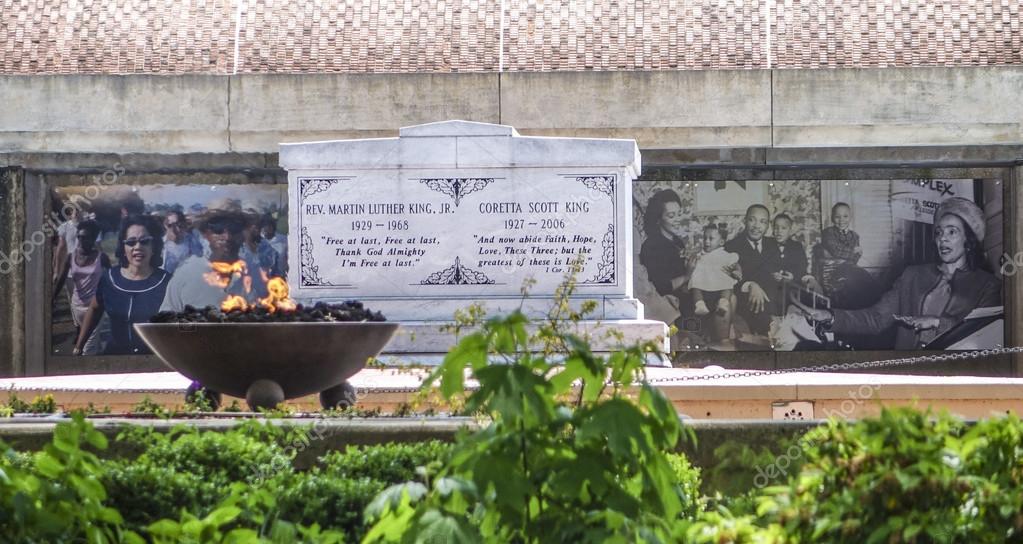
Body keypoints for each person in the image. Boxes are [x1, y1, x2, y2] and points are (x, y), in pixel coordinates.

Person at [794, 197, 1001, 350]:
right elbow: (875, 318)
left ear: (967, 240)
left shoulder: (987, 284)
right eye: (939, 232)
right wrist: (830, 316)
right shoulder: (912, 276)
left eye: (952, 232)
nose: (942, 239)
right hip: (909, 373)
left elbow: (986, 338)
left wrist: (938, 322)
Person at [74, 215, 171, 355]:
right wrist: (79, 346)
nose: (138, 247)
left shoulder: (168, 283)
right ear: (123, 247)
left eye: (145, 241)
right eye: (131, 242)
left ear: (154, 246)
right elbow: (94, 309)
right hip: (115, 357)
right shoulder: (109, 279)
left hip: (154, 359)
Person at [160, 199, 267, 312]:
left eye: (234, 228)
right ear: (206, 233)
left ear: (242, 233)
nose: (227, 236)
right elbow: (165, 323)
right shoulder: (186, 273)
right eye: (218, 228)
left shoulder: (255, 275)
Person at [724, 204, 784, 336]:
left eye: (762, 222)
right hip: (746, 302)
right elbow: (727, 279)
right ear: (745, 221)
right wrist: (750, 285)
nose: (757, 226)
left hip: (773, 301)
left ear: (768, 225)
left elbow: (779, 270)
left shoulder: (773, 244)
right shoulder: (731, 246)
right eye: (752, 220)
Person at [52, 220, 110, 355]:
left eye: (85, 238)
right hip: (77, 305)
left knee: (86, 349)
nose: (80, 240)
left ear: (93, 239)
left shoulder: (102, 258)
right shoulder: (71, 257)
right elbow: (61, 279)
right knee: (92, 343)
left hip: (95, 308)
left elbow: (111, 278)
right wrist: (53, 298)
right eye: (79, 237)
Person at [639, 190, 696, 314]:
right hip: (669, 305)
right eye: (671, 216)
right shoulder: (651, 246)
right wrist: (687, 276)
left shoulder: (677, 241)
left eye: (679, 214)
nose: (678, 220)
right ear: (658, 219)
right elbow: (661, 288)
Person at [688, 224, 741, 342]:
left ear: (721, 242)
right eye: (704, 238)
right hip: (705, 283)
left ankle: (724, 301)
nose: (706, 241)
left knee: (728, 284)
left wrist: (737, 271)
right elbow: (692, 268)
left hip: (719, 283)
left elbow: (736, 264)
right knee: (695, 284)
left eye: (711, 239)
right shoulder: (701, 254)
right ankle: (699, 303)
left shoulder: (725, 255)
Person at [771, 213, 820, 291]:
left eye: (783, 228)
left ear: (790, 230)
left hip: (792, 288)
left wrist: (793, 276)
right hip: (773, 288)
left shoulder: (797, 247)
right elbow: (764, 265)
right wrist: (772, 274)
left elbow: (802, 266)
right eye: (776, 228)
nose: (779, 231)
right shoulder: (768, 245)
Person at [240, 213, 283, 291]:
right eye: (251, 224)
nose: (256, 228)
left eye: (259, 224)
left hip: (266, 295)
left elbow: (277, 275)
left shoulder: (268, 250)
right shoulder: (233, 249)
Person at [161, 210, 203, 275]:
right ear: (165, 226)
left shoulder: (191, 241)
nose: (176, 229)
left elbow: (199, 261)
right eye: (171, 225)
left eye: (179, 225)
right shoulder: (159, 244)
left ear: (184, 225)